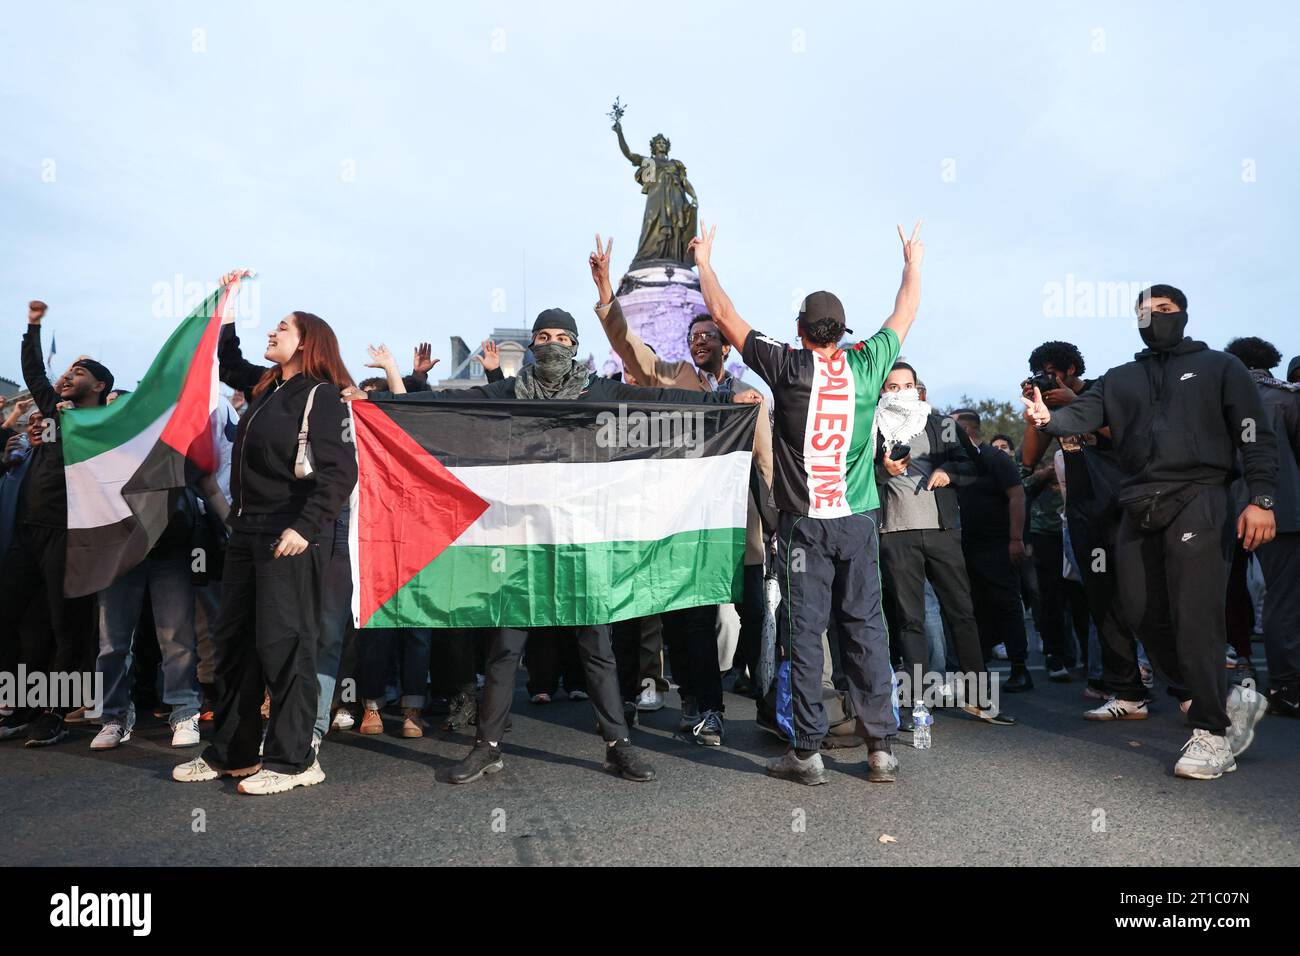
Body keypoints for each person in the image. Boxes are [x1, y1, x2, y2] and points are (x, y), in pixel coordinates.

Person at [347, 307, 759, 784]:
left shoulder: (599, 392)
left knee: (596, 647)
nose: (552, 344)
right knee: (505, 646)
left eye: (563, 337)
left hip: (581, 542)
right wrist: (374, 406)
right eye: (543, 336)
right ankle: (488, 746)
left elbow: (659, 400)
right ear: (531, 347)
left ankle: (617, 745)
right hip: (520, 544)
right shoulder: (508, 392)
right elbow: (445, 407)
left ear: (575, 345)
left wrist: (727, 403)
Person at [689, 219, 923, 786]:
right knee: (866, 628)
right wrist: (911, 260)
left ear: (799, 331)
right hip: (858, 521)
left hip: (803, 529)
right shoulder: (869, 363)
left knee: (804, 634)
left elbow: (724, 316)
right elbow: (905, 310)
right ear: (844, 332)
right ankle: (881, 748)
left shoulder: (788, 366)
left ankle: (808, 753)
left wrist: (704, 263)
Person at [1023, 285, 1277, 780]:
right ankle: (1217, 700)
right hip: (1138, 502)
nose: (1154, 318)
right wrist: (1047, 416)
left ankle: (1211, 733)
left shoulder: (1219, 367)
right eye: (1145, 311)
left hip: (1201, 495)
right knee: (1137, 609)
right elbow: (1081, 414)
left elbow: (1254, 433)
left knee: (1194, 613)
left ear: (1183, 314)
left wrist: (1261, 499)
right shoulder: (1122, 377)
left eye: (1163, 310)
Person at [589, 234, 775, 745]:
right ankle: (703, 706)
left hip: (746, 533)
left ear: (726, 343)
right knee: (688, 621)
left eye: (710, 333)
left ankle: (766, 700)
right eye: (693, 335)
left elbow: (768, 466)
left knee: (757, 616)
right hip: (688, 528)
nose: (700, 340)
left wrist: (784, 523)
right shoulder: (673, 381)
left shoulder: (749, 396)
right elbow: (631, 350)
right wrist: (608, 295)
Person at [173, 309, 357, 794]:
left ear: (306, 342)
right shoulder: (268, 386)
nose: (272, 331)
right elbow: (229, 366)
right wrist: (226, 317)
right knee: (234, 643)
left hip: (292, 536)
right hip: (246, 533)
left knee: (285, 646)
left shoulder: (323, 396)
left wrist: (305, 526)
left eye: (282, 327)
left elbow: (341, 472)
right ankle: (232, 753)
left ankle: (295, 761)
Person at [872, 368, 1022, 715]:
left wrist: (948, 473)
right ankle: (919, 697)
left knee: (961, 612)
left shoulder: (941, 424)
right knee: (910, 618)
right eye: (893, 386)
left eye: (907, 386)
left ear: (918, 389)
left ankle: (978, 698)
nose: (900, 391)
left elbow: (974, 467)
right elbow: (859, 474)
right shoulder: (871, 426)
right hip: (895, 532)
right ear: (883, 390)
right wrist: (883, 472)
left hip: (942, 531)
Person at [0, 301, 113, 747]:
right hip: (28, 532)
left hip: (71, 534)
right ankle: (21, 706)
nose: (68, 376)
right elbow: (33, 373)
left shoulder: (103, 422)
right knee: (11, 616)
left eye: (80, 371)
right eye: (66, 370)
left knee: (67, 626)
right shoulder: (52, 412)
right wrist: (32, 327)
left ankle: (55, 714)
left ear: (100, 386)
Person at [1223, 336, 1300, 717]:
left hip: (1220, 509)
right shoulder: (1285, 397)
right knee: (1282, 598)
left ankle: (1239, 663)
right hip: (1278, 510)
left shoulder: (1217, 398)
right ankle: (1285, 683)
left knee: (1227, 591)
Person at [951, 409, 1033, 690]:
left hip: (998, 546)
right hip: (966, 547)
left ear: (967, 430)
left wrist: (1016, 539)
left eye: (952, 428)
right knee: (974, 607)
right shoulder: (956, 462)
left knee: (1007, 605)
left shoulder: (995, 459)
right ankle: (978, 669)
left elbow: (1017, 496)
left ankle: (1020, 669)